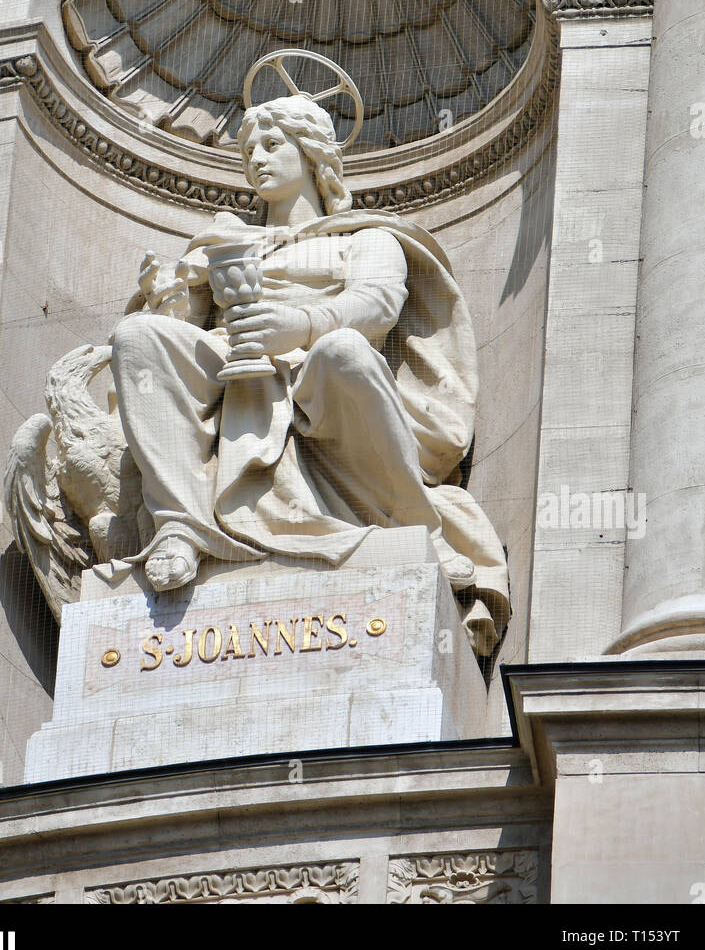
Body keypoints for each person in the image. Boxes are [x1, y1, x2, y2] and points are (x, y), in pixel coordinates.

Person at [110, 93, 510, 654]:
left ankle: (416, 523)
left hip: (322, 387)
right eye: (248, 150)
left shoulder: (366, 238)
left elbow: (375, 307)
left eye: (273, 145)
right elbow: (185, 335)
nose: (257, 158)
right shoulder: (229, 242)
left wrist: (297, 325)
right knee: (136, 339)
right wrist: (175, 292)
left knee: (342, 350)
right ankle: (181, 521)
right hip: (232, 371)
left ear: (314, 156)